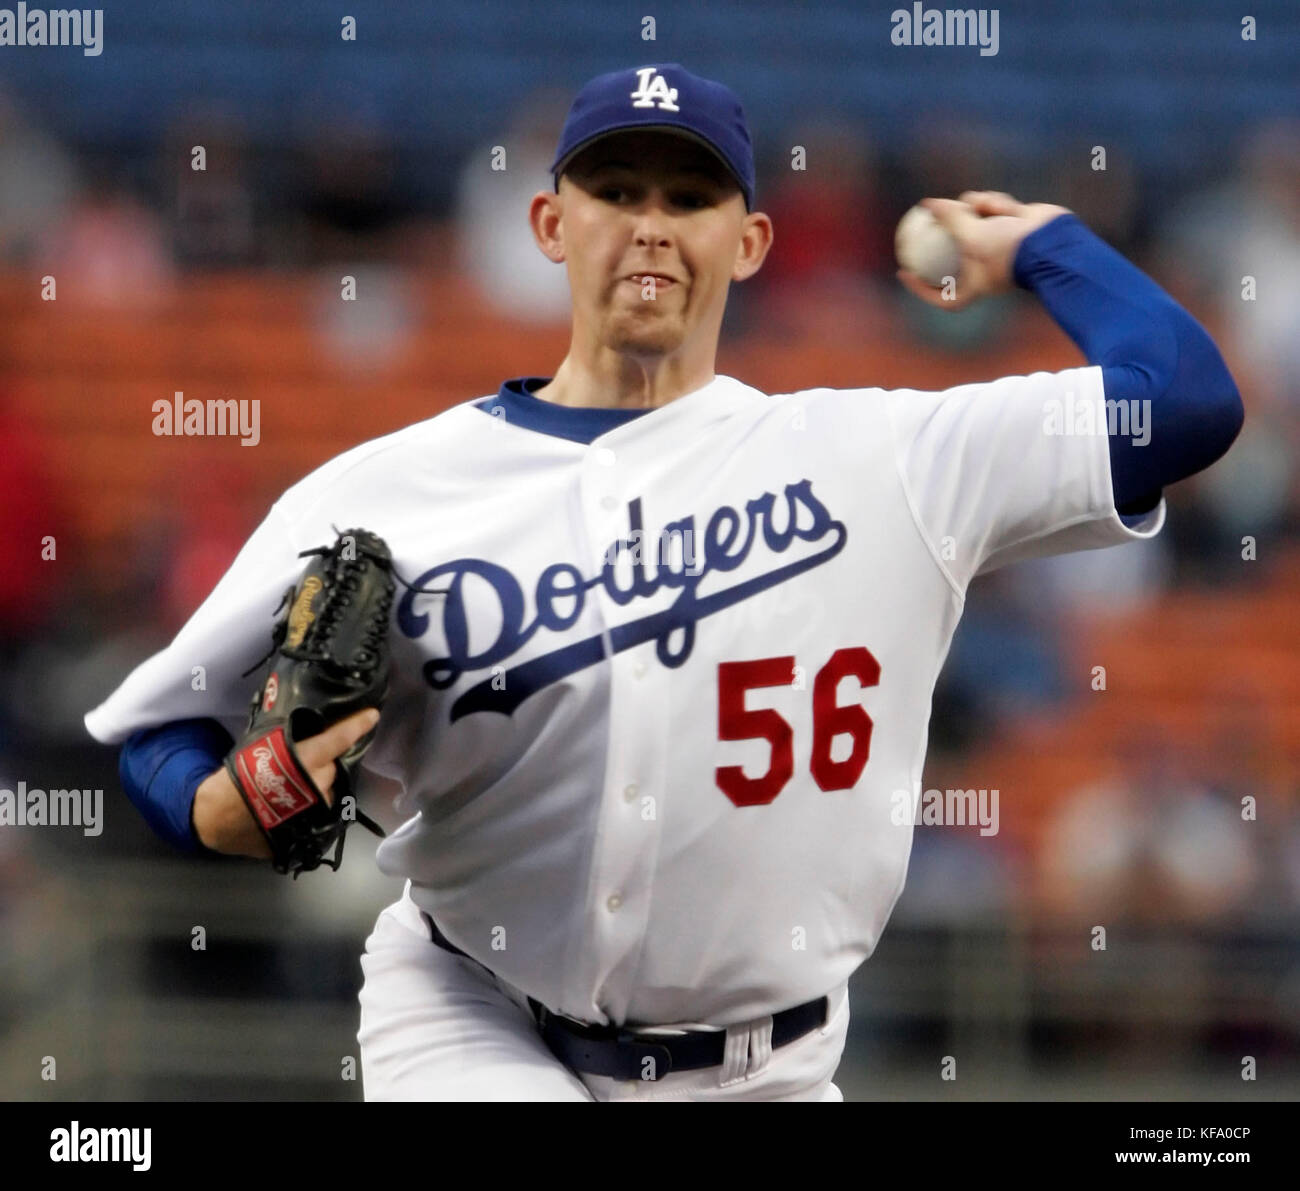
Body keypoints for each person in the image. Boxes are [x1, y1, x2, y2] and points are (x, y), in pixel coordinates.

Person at [84, 63, 1243, 1102]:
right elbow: (160, 723)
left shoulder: (888, 461)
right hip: (471, 1020)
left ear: (750, 242)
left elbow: (1185, 401)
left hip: (771, 1069)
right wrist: (202, 804)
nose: (649, 225)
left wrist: (1043, 245)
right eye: (615, 193)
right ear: (549, 223)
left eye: (687, 199)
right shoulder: (393, 489)